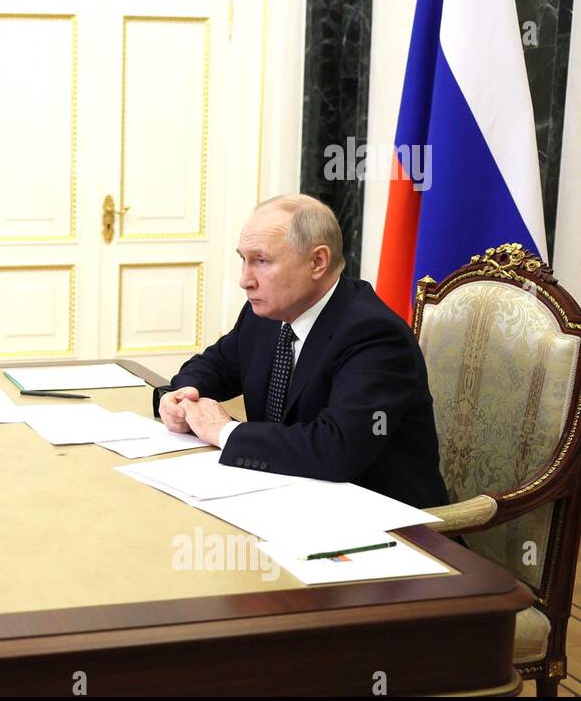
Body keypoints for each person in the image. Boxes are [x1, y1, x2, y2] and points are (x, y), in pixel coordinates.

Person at [158, 194, 447, 509]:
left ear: (317, 262)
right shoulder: (268, 314)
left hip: (381, 522)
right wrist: (182, 397)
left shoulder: (374, 335)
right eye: (243, 259)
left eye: (262, 261)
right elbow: (213, 366)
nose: (245, 280)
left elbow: (338, 448)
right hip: (283, 495)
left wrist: (223, 430)